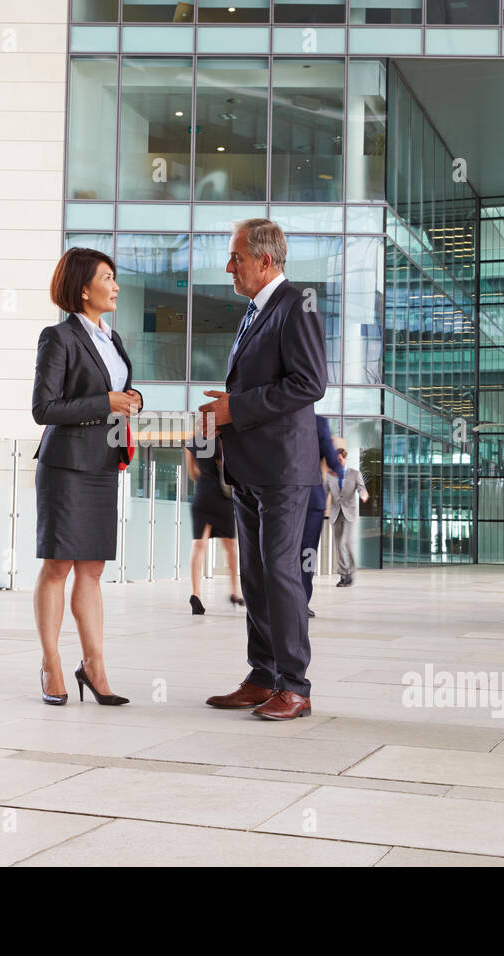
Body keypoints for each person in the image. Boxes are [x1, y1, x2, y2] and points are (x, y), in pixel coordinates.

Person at [198, 218, 326, 721]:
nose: (229, 267)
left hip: (284, 471)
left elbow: (310, 383)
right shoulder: (255, 312)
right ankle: (262, 676)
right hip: (250, 470)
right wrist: (230, 409)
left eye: (237, 259)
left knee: (280, 572)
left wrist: (238, 408)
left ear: (265, 261)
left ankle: (295, 686)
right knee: (254, 576)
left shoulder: (297, 306)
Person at [31, 247, 143, 707]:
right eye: (107, 277)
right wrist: (108, 402)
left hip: (101, 466)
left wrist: (131, 398)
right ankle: (51, 662)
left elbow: (116, 396)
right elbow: (44, 409)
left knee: (92, 570)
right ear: (83, 288)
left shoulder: (112, 341)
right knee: (58, 565)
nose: (115, 285)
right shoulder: (57, 337)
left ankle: (94, 666)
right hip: (65, 467)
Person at [185, 436, 242, 614]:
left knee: (199, 545)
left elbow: (193, 473)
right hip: (221, 498)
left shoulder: (193, 441)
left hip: (202, 495)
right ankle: (234, 591)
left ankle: (196, 594)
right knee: (230, 546)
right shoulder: (224, 440)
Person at [302, 415, 345, 617]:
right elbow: (332, 460)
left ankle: (279, 602)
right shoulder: (318, 423)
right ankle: (302, 601)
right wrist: (338, 469)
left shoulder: (274, 417)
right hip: (311, 499)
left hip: (281, 499)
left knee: (280, 553)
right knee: (307, 553)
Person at [325, 446, 368, 588]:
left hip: (350, 513)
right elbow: (323, 492)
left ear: (345, 458)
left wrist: (363, 494)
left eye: (339, 460)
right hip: (335, 513)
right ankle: (344, 575)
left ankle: (351, 571)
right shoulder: (330, 475)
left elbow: (362, 488)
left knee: (347, 543)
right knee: (338, 546)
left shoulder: (354, 473)